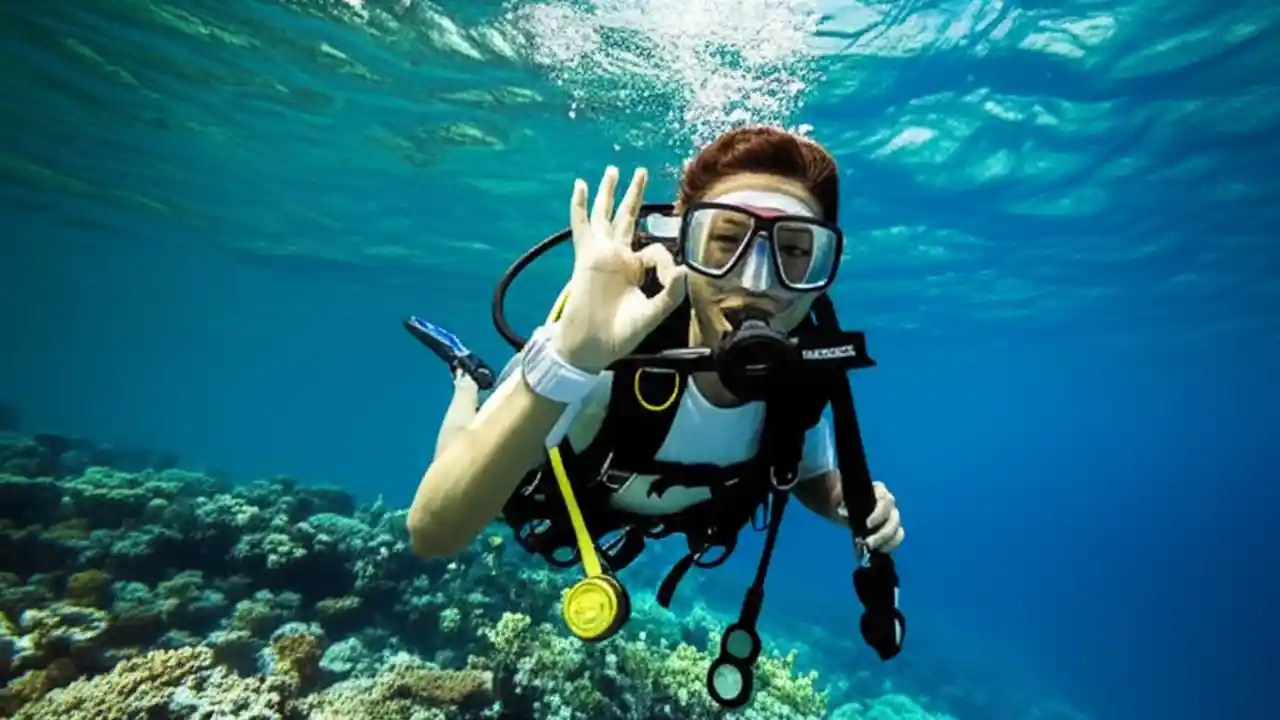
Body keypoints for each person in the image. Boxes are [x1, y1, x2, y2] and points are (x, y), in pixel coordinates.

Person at [404, 126, 907, 708]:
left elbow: (809, 470)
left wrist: (848, 500)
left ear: (824, 266)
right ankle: (468, 380)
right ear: (682, 248)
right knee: (477, 438)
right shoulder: (601, 349)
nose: (758, 280)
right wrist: (572, 357)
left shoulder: (800, 379)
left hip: (658, 506)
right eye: (726, 241)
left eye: (794, 252)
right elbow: (432, 532)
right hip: (556, 490)